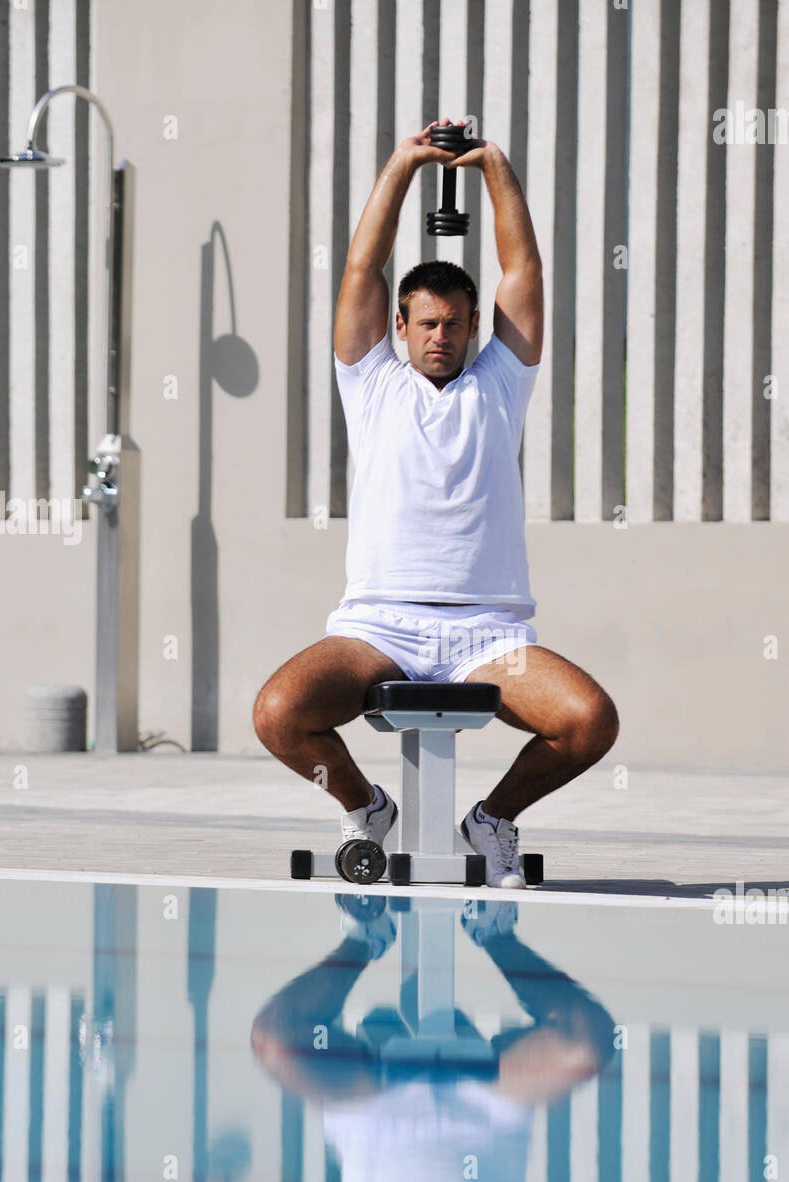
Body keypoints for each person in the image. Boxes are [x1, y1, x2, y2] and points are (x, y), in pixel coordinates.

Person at [253, 119, 619, 888]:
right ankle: (368, 811)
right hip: (378, 625)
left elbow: (523, 267)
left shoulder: (500, 383)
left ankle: (490, 824)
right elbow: (361, 266)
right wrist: (402, 164)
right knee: (279, 712)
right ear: (400, 327)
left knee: (589, 720)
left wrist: (494, 167)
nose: (440, 336)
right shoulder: (371, 381)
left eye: (455, 323)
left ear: (475, 326)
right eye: (426, 323)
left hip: (488, 631)